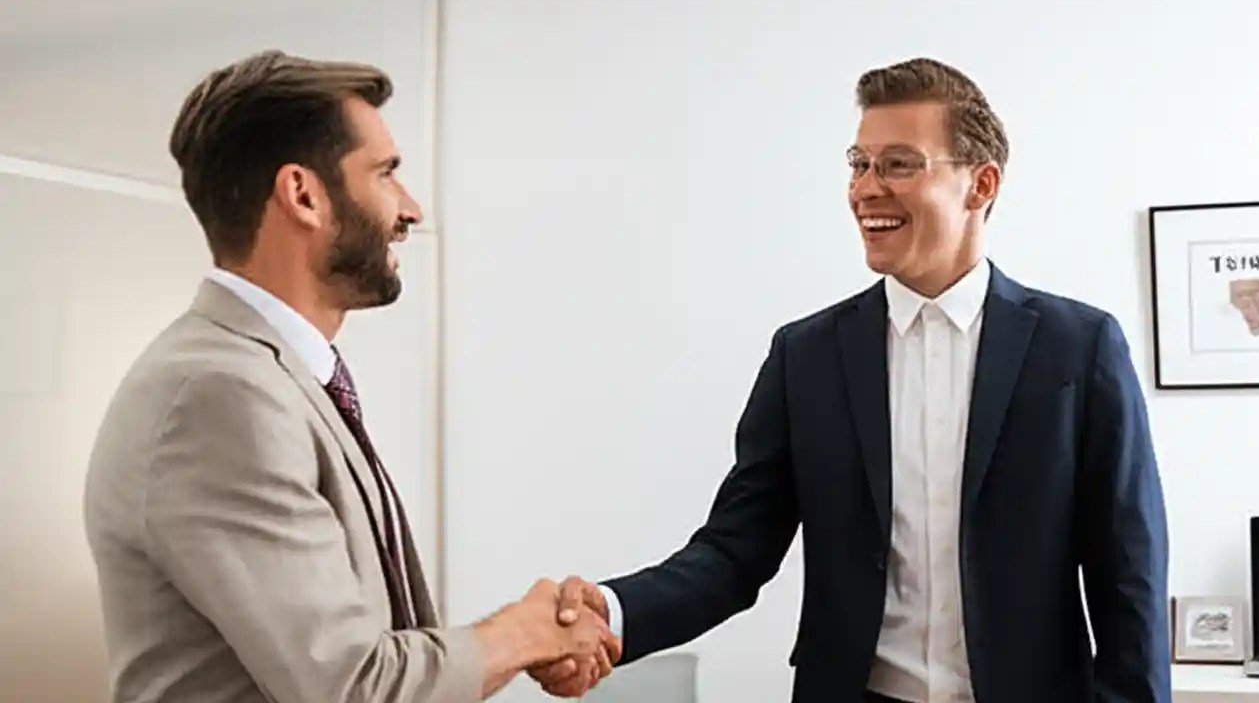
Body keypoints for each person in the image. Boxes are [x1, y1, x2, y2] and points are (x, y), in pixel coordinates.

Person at [531, 57, 1171, 702]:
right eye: (858, 164)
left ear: (980, 185)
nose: (866, 188)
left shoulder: (1080, 348)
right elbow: (733, 553)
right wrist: (609, 614)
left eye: (898, 163)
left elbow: (1130, 575)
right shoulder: (804, 356)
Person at [82, 50, 619, 703]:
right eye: (387, 174)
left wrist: (531, 640)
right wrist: (525, 634)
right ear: (303, 195)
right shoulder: (220, 395)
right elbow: (352, 687)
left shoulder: (273, 376)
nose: (411, 209)